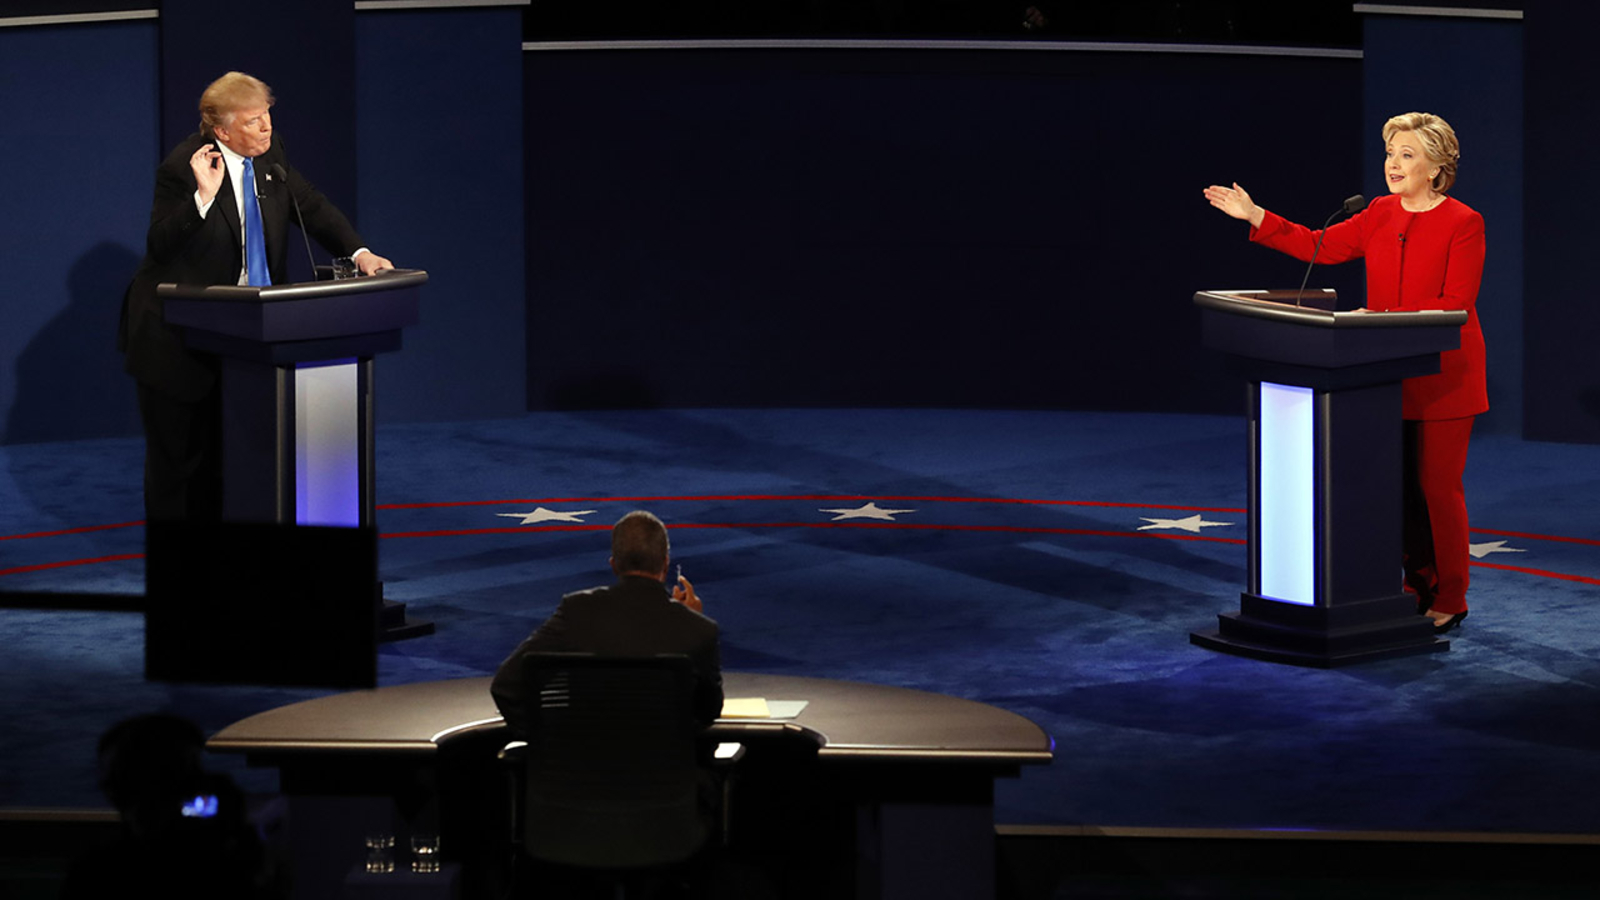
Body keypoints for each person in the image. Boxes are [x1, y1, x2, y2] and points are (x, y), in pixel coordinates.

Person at [1202, 112, 1485, 635]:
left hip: (1444, 377)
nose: (1393, 164)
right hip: (1379, 372)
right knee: (1396, 488)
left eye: (1407, 155)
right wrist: (1256, 215)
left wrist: (1374, 318)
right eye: (1390, 153)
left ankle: (1452, 595)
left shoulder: (1463, 222)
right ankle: (1410, 586)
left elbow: (1455, 303)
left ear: (1436, 166)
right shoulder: (1378, 212)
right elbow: (1320, 245)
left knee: (1437, 489)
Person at [120, 71, 394, 521]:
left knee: (235, 464)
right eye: (253, 121)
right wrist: (201, 200)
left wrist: (359, 251)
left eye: (267, 116)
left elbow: (311, 205)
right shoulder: (184, 166)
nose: (266, 127)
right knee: (181, 467)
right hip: (177, 340)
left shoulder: (272, 157)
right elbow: (160, 245)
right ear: (222, 130)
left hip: (247, 337)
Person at [491, 510, 723, 735]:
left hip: (575, 770)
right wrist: (690, 619)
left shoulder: (576, 611)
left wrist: (552, 742)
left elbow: (505, 687)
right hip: (668, 773)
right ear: (665, 564)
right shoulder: (698, 629)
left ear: (614, 565)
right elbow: (707, 712)